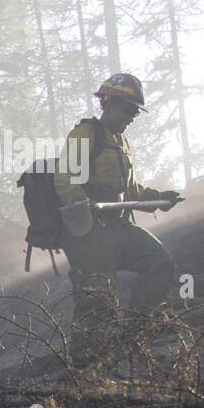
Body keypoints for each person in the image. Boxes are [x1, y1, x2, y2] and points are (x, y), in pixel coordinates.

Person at [53, 73, 181, 365]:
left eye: (136, 111)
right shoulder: (86, 134)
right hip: (90, 233)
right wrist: (81, 205)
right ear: (108, 104)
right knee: (97, 299)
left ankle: (133, 335)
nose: (133, 116)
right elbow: (64, 178)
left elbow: (132, 190)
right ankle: (84, 367)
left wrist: (159, 198)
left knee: (159, 261)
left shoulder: (120, 141)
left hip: (120, 227)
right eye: (129, 110)